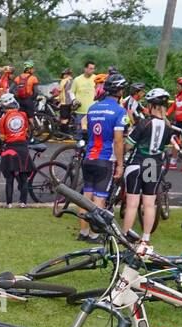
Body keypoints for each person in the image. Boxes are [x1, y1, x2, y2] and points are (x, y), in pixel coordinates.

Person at [123, 88, 176, 253]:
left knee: (132, 204)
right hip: (153, 164)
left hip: (136, 163)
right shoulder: (168, 127)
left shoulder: (144, 123)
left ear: (151, 105)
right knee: (149, 204)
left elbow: (129, 145)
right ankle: (145, 239)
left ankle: (125, 237)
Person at [77, 74, 128, 240]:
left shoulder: (93, 108)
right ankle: (94, 234)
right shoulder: (120, 111)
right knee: (100, 199)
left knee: (86, 196)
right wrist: (120, 165)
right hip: (105, 159)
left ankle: (83, 232)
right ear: (119, 91)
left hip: (89, 157)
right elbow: (118, 140)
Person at [0, 92, 32, 208]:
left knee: (9, 178)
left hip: (10, 149)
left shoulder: (3, 119)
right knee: (24, 177)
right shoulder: (23, 115)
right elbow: (26, 130)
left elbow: (2, 137)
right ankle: (23, 202)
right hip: (23, 148)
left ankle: (9, 203)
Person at [70, 59, 97, 132]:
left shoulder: (96, 79)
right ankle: (80, 142)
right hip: (80, 110)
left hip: (93, 110)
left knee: (93, 130)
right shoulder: (77, 79)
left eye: (93, 69)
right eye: (90, 68)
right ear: (85, 69)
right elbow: (71, 92)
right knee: (80, 130)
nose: (92, 70)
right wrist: (74, 100)